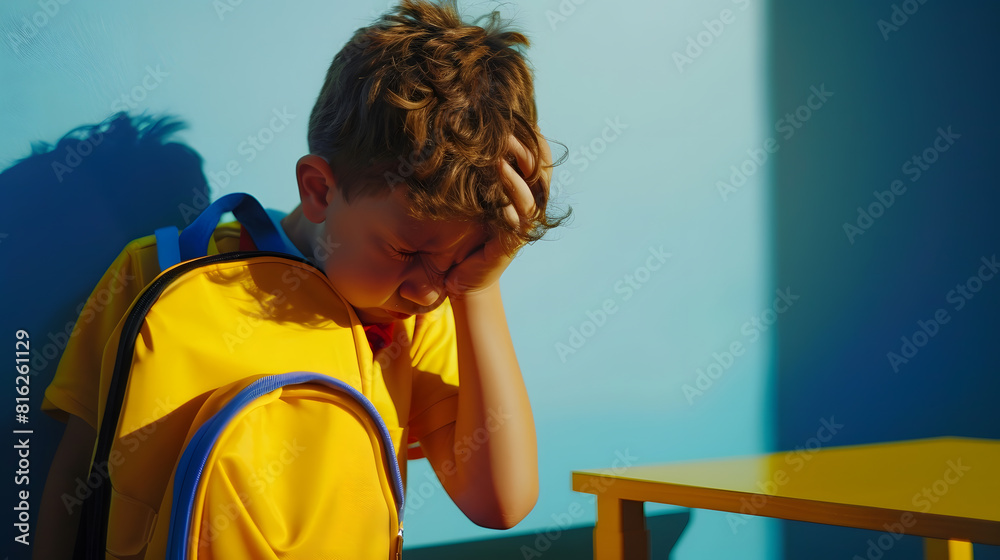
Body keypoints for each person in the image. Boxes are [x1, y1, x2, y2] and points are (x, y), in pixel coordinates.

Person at [34, 0, 568, 557]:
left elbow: (500, 503)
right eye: (406, 250)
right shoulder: (158, 273)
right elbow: (75, 476)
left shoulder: (419, 318)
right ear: (318, 189)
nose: (429, 289)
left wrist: (478, 290)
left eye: (457, 261)